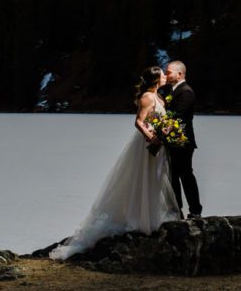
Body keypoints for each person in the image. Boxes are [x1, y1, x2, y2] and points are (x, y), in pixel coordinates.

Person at [49, 66, 182, 260]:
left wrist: (167, 131)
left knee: (157, 179)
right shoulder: (147, 97)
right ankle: (141, 221)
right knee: (142, 178)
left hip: (160, 144)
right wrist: (150, 137)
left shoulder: (160, 97)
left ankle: (153, 217)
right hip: (147, 145)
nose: (165, 77)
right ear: (155, 80)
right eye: (162, 75)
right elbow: (139, 121)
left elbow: (164, 119)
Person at [162, 60, 202, 218]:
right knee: (173, 175)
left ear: (180, 74)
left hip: (183, 141)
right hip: (171, 140)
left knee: (186, 175)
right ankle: (177, 209)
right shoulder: (170, 90)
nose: (167, 74)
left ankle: (195, 210)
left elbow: (178, 116)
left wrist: (160, 124)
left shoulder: (186, 92)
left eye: (169, 72)